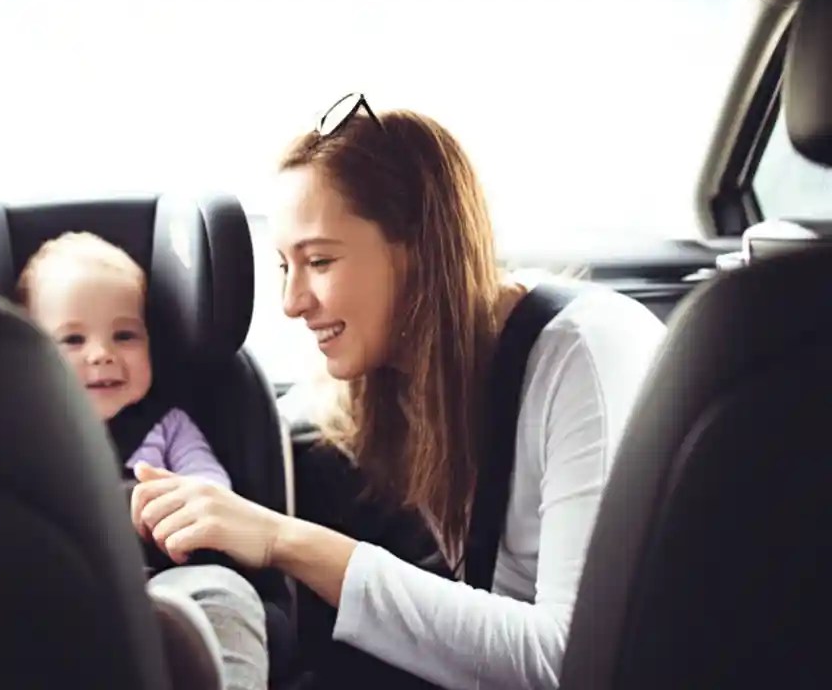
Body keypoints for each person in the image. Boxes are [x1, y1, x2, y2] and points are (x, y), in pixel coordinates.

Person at [130, 94, 667, 690]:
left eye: (321, 261)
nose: (292, 302)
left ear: (418, 247)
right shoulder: (399, 376)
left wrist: (284, 540)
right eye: (286, 266)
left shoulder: (582, 356)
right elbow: (288, 429)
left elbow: (567, 662)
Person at [15, 231, 269, 690]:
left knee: (226, 595)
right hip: (61, 590)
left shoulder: (169, 425)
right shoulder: (24, 433)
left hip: (172, 582)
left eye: (125, 334)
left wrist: (167, 508)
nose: (102, 354)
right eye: (72, 338)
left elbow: (211, 491)